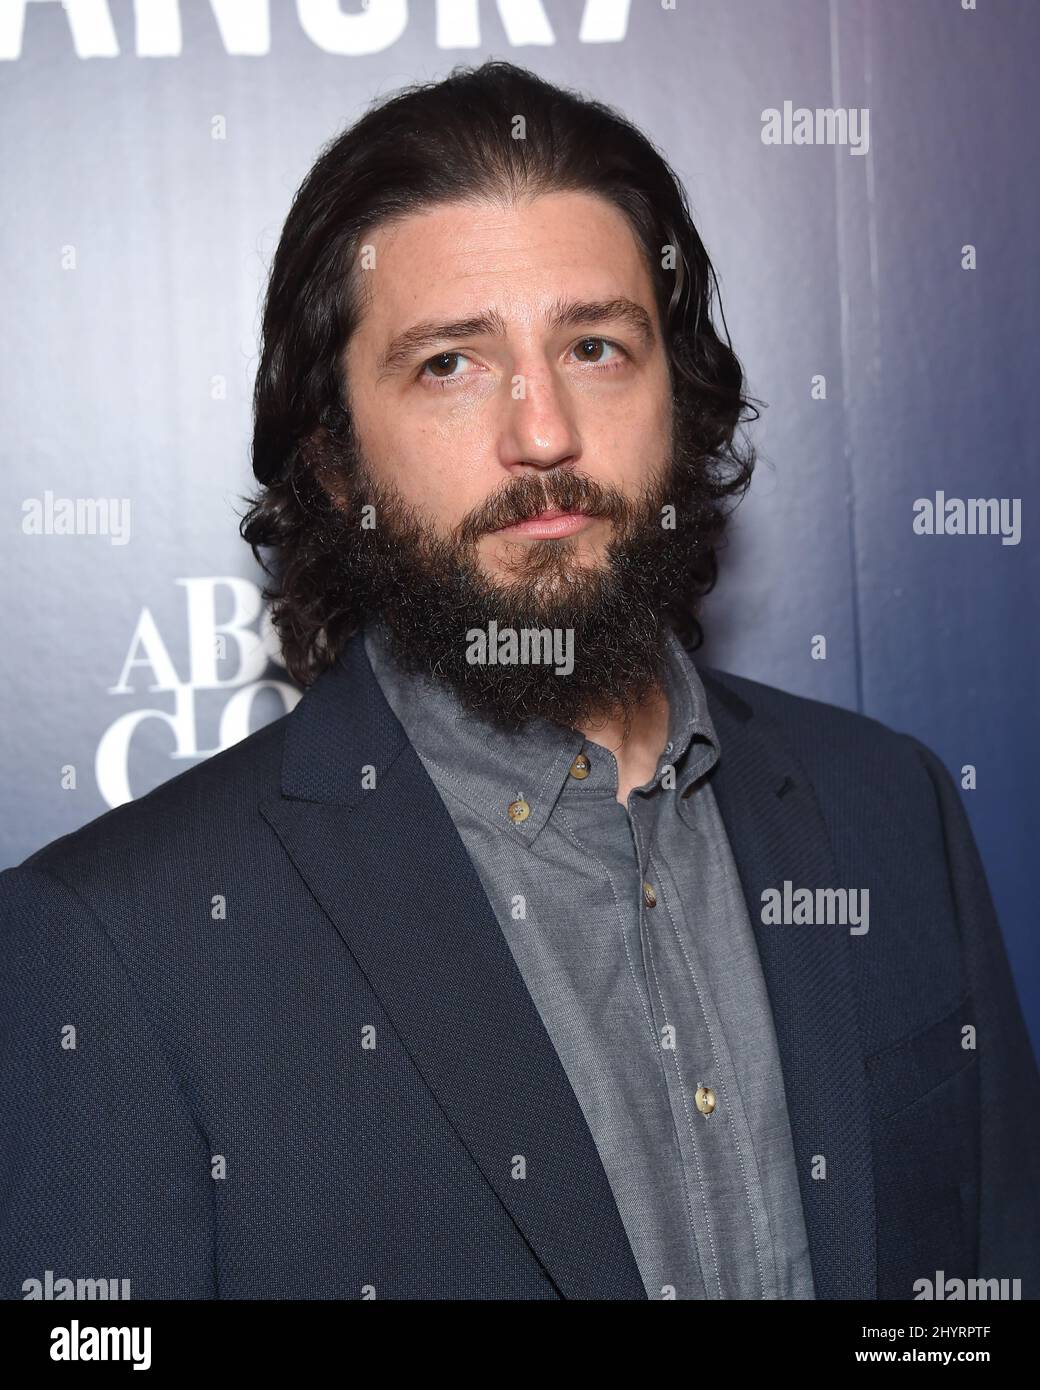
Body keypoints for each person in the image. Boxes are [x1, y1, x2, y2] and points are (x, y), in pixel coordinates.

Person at [3, 60, 1038, 1302]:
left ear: (678, 399)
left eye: (595, 346)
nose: (541, 432)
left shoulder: (891, 807)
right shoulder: (119, 941)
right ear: (332, 460)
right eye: (449, 364)